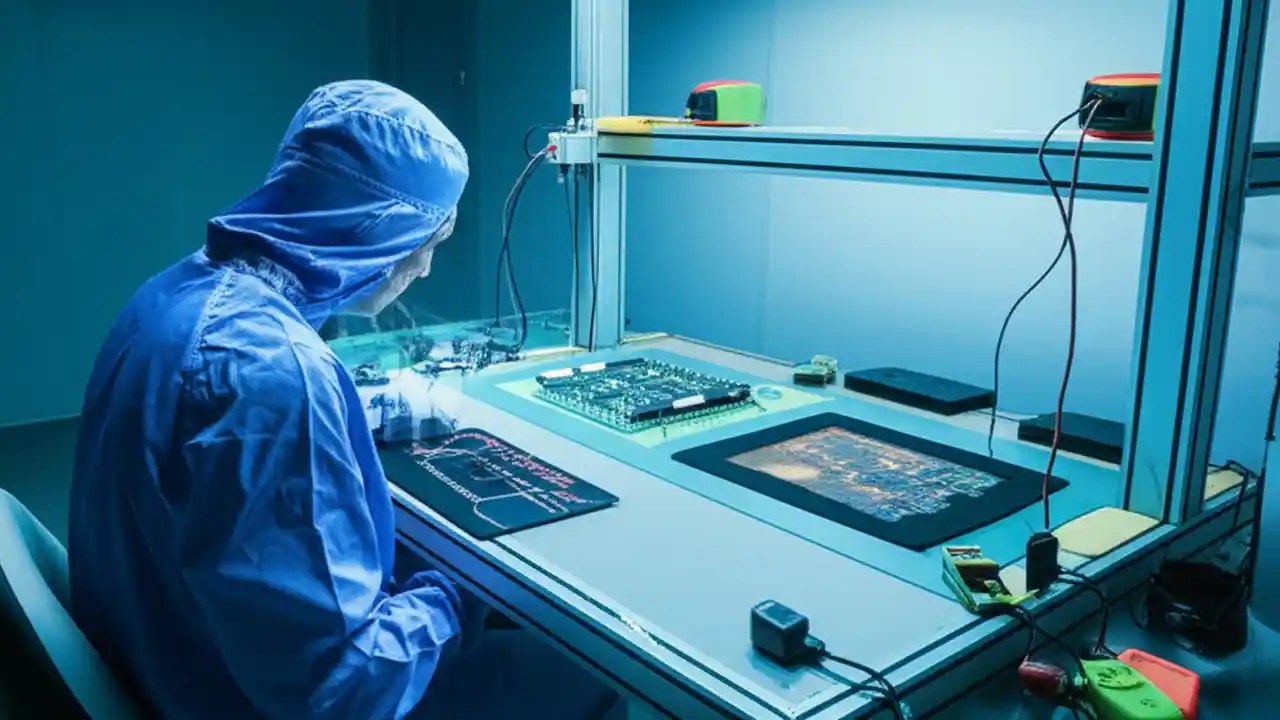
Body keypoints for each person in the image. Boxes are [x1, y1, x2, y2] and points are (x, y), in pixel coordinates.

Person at [68, 80, 619, 719]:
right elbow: (341, 691)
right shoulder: (274, 374)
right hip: (239, 697)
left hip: (165, 650)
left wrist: (355, 416)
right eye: (431, 242)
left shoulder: (176, 294)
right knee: (577, 668)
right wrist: (461, 594)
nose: (428, 268)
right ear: (378, 228)